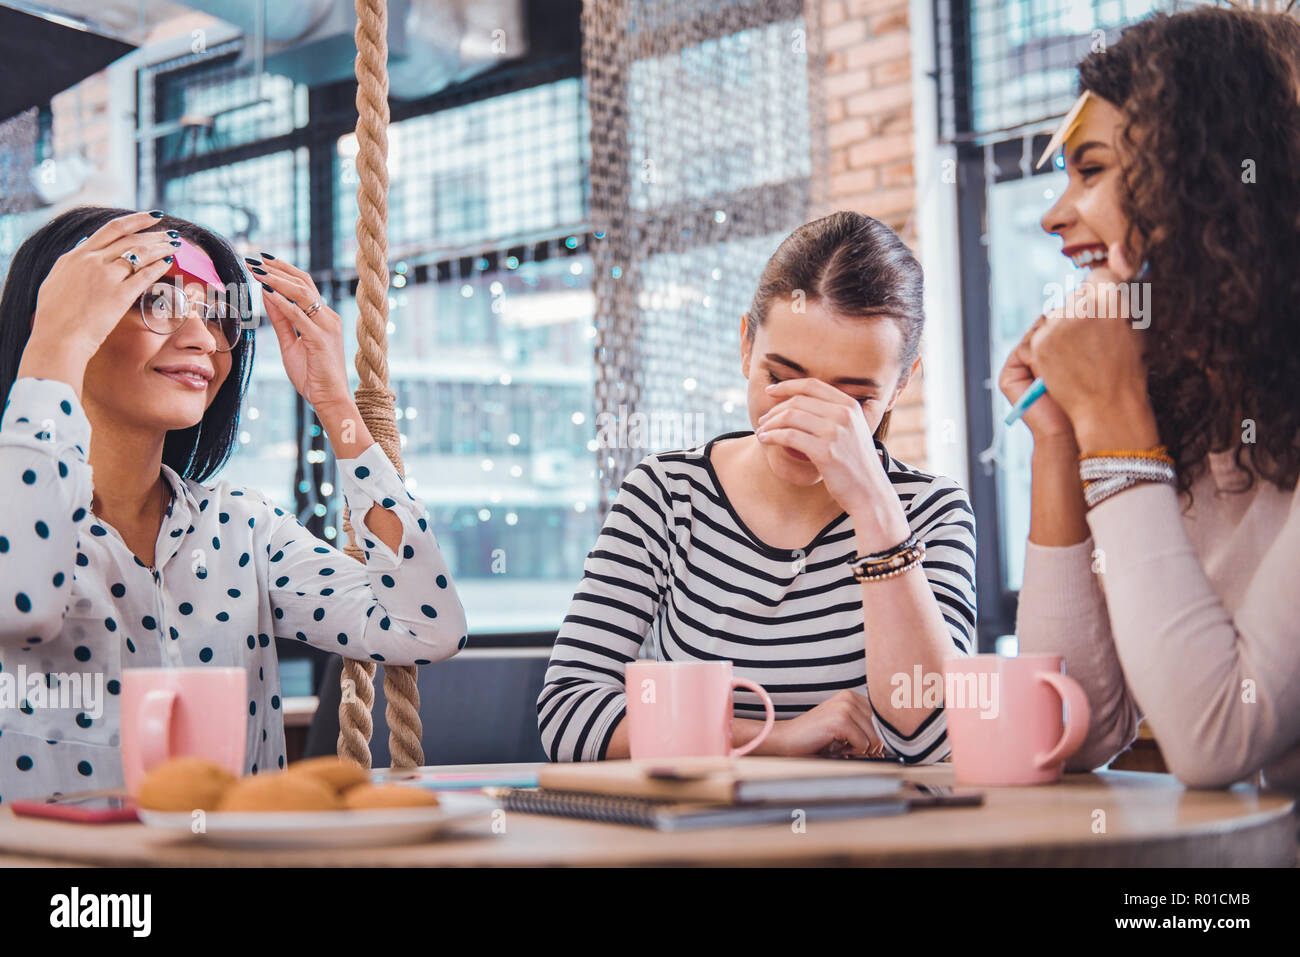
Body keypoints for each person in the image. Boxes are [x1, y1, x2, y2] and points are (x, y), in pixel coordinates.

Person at [0, 207, 466, 802]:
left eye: (218, 315)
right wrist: (54, 345)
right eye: (157, 301)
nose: (203, 339)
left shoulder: (243, 527)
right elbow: (20, 607)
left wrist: (337, 407)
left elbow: (428, 628)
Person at [539, 210, 976, 763]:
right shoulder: (668, 493)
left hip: (873, 840)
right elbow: (568, 715)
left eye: (853, 399)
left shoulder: (931, 510)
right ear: (746, 345)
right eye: (782, 378)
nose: (808, 419)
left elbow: (936, 741)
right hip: (702, 838)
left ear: (899, 387)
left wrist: (874, 509)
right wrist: (781, 738)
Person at [1006, 7, 1300, 791]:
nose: (1052, 215)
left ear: (1208, 186)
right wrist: (1062, 438)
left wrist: (1113, 418)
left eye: (1091, 170)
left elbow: (1219, 735)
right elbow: (1072, 727)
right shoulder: (1193, 407)